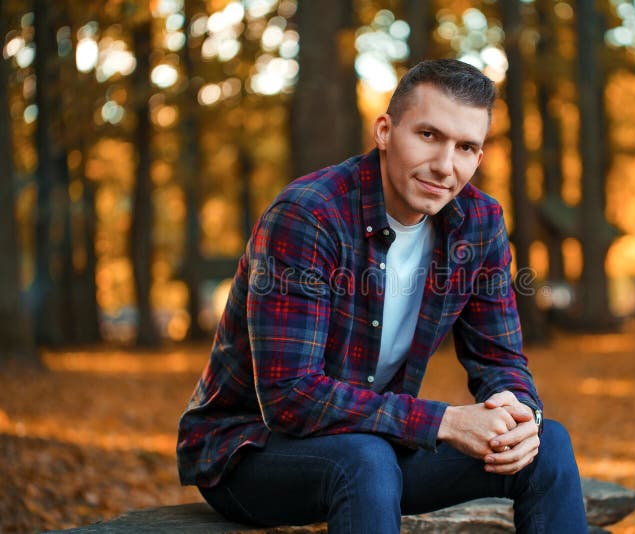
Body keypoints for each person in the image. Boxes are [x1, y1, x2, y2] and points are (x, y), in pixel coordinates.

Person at [177, 59, 587, 533]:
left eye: (466, 147)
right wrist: (446, 422)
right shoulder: (310, 215)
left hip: (377, 444)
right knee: (363, 458)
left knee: (547, 444)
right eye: (429, 135)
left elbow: (500, 359)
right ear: (386, 130)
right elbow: (290, 396)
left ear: (480, 157)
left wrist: (518, 414)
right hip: (250, 450)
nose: (444, 165)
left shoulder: (479, 222)